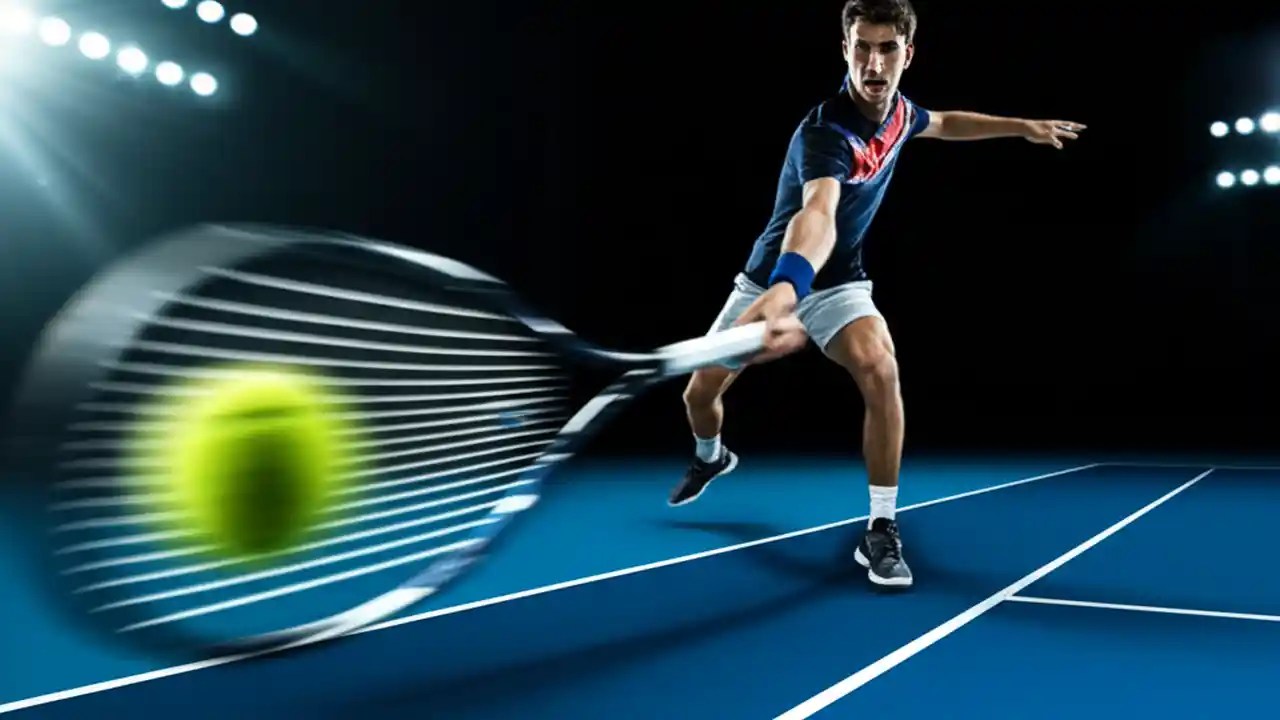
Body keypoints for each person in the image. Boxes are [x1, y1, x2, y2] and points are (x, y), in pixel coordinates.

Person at [668, 0, 1085, 589]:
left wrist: (1021, 127)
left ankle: (881, 528)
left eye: (886, 49)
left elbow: (943, 121)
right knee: (699, 395)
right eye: (862, 47)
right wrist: (787, 284)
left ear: (906, 55)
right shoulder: (825, 131)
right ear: (845, 50)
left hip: (838, 283)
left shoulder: (900, 115)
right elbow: (819, 213)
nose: (873, 62)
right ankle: (711, 456)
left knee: (880, 367)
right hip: (771, 281)